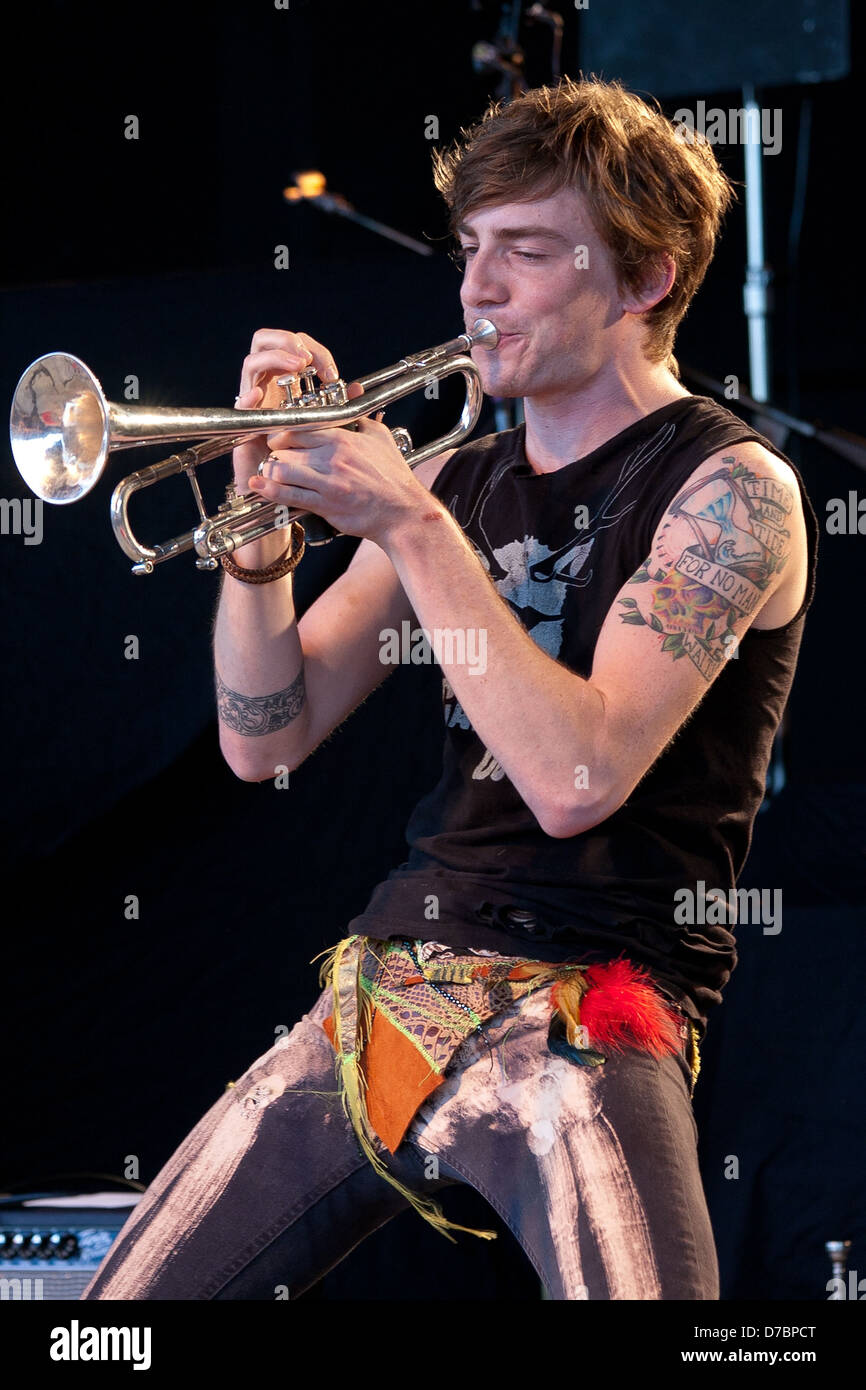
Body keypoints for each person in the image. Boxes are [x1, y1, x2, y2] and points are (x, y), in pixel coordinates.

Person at [80, 76, 818, 1302]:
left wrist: (412, 523)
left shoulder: (731, 489)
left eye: (525, 253)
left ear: (642, 280)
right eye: (471, 249)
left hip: (592, 1002)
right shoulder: (459, 473)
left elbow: (575, 782)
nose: (476, 290)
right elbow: (267, 737)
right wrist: (259, 538)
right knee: (112, 1325)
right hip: (392, 980)